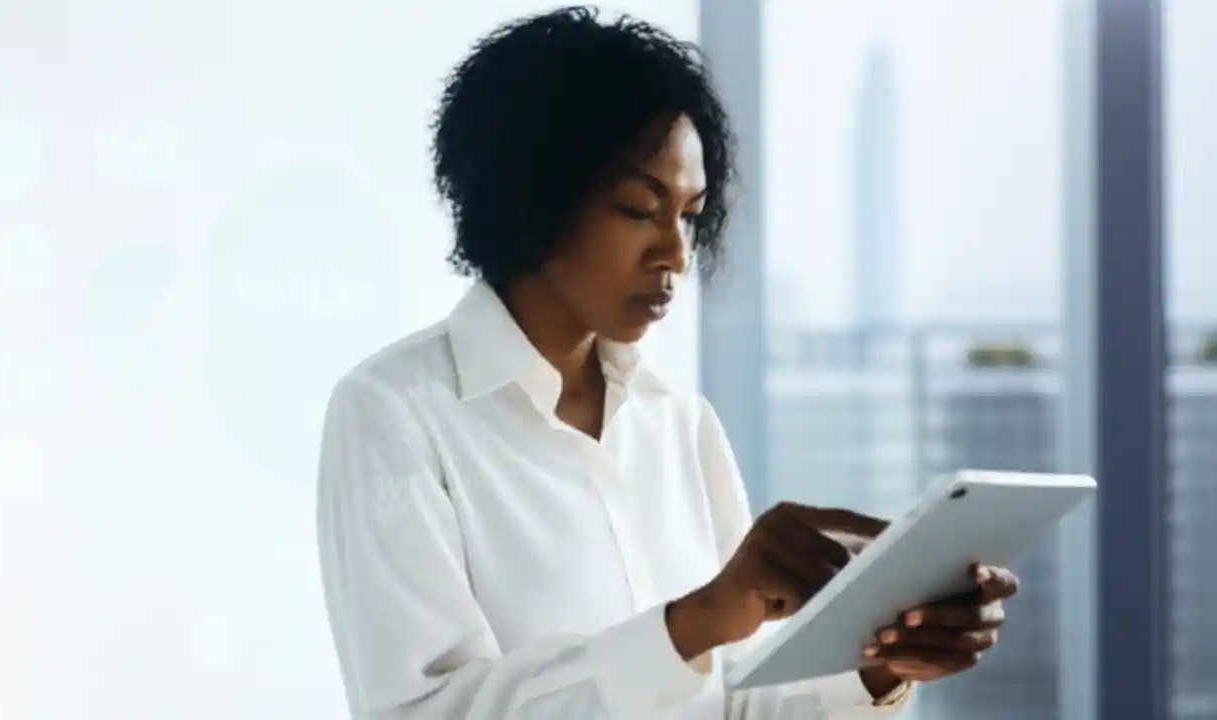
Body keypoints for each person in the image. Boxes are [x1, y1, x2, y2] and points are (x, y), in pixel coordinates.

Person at [316, 7, 1019, 718]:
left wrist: (883, 665)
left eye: (688, 214)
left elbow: (736, 703)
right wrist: (693, 624)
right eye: (636, 208)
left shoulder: (677, 419)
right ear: (531, 199)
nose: (676, 254)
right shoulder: (395, 414)